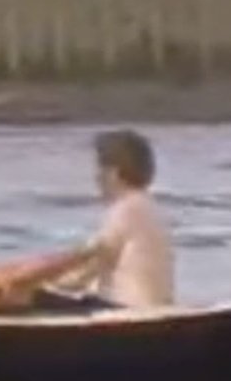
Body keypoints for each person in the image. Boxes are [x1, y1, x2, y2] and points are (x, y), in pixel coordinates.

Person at [30, 129, 176, 313]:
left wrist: (37, 284)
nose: (95, 177)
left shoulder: (125, 209)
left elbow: (89, 264)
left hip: (127, 309)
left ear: (112, 173)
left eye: (99, 169)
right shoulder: (149, 207)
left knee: (33, 299)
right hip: (153, 306)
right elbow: (97, 268)